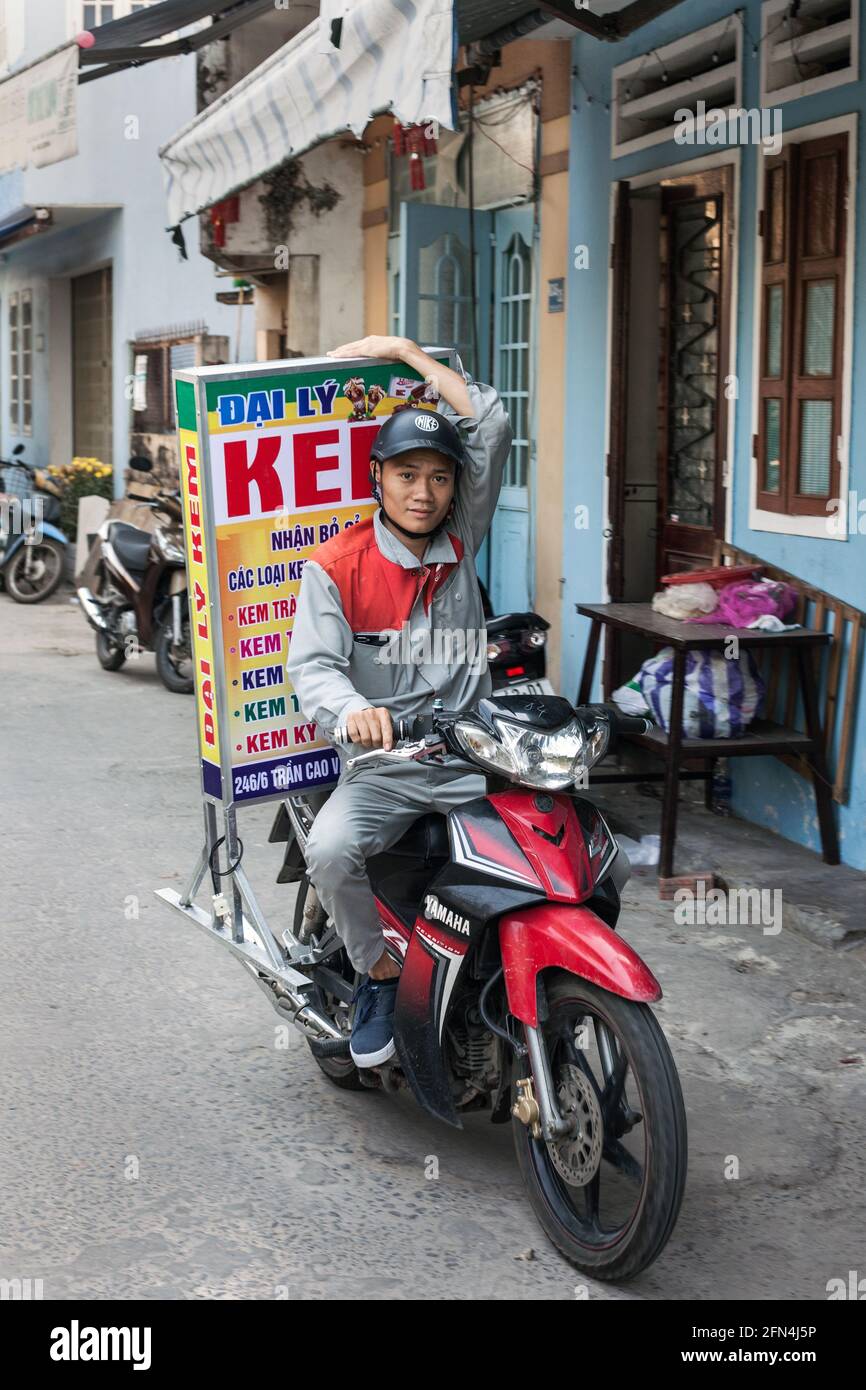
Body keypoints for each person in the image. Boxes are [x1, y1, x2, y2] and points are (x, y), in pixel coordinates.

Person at [287, 335, 512, 1067]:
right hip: (386, 766)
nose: (424, 492)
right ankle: (378, 971)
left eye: (441, 476)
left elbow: (494, 421)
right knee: (329, 848)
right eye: (407, 474)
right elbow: (315, 667)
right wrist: (352, 711)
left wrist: (406, 354)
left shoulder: (463, 538)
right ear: (377, 478)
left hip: (478, 757)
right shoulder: (336, 567)